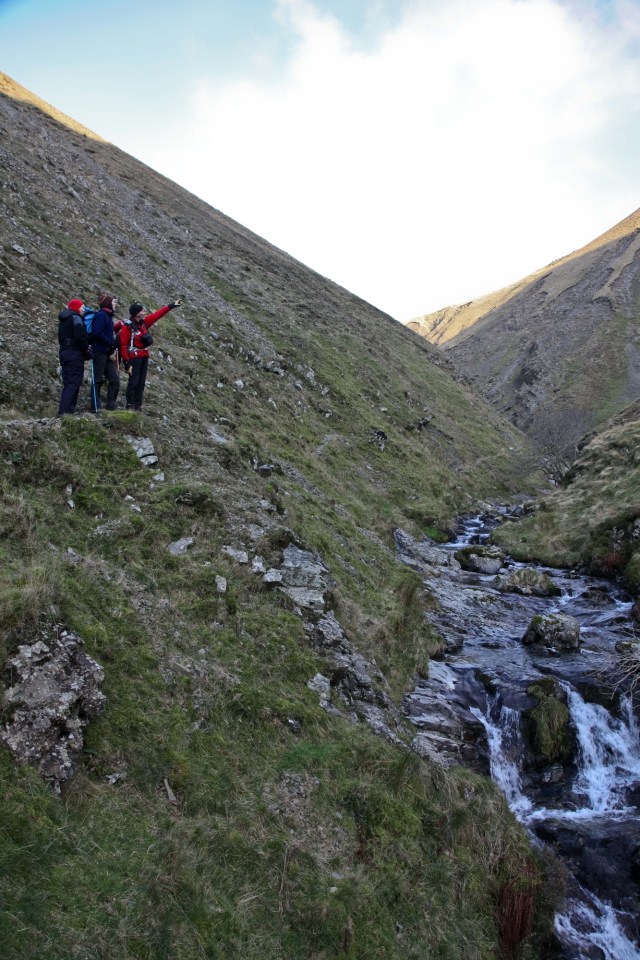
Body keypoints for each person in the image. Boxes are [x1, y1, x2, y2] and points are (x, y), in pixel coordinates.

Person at [119, 299, 182, 410]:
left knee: (141, 382)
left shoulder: (144, 323)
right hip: (134, 358)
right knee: (133, 382)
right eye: (142, 310)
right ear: (137, 314)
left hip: (144, 357)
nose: (144, 312)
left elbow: (157, 315)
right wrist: (126, 362)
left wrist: (171, 305)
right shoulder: (127, 327)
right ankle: (129, 404)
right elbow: (123, 345)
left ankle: (137, 404)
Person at [58, 298, 91, 415]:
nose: (84, 309)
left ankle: (64, 411)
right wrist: (86, 350)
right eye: (82, 307)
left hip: (64, 353)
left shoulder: (64, 319)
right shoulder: (76, 318)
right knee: (74, 383)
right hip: (74, 354)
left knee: (68, 383)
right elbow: (80, 337)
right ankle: (67, 412)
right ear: (76, 308)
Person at [90, 293, 120, 411]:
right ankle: (95, 407)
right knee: (97, 379)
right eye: (113, 302)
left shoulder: (108, 316)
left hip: (106, 353)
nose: (115, 305)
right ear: (108, 303)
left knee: (114, 379)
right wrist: (110, 342)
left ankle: (110, 405)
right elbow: (97, 332)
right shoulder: (102, 315)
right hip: (99, 351)